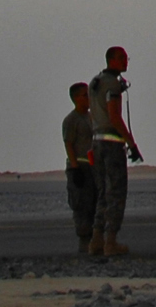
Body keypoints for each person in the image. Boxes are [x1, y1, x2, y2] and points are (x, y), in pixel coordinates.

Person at [88, 46, 143, 257]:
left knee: (102, 192)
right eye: (121, 58)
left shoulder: (96, 82)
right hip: (111, 144)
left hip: (97, 142)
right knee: (116, 192)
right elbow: (115, 116)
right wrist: (131, 143)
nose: (125, 62)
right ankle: (110, 241)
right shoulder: (112, 85)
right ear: (111, 59)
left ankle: (96, 240)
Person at [62, 82, 95, 253]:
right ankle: (84, 241)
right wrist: (75, 169)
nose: (88, 98)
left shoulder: (91, 117)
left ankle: (96, 241)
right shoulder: (71, 120)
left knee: (95, 204)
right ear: (76, 98)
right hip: (80, 167)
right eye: (85, 95)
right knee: (82, 205)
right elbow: (68, 144)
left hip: (93, 166)